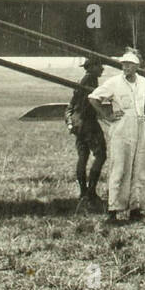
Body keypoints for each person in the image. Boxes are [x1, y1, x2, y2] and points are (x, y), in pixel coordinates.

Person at [88, 49, 145, 223]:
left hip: (140, 129)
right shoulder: (113, 83)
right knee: (119, 167)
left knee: (140, 168)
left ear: (137, 66)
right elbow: (94, 98)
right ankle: (114, 209)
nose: (126, 67)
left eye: (130, 64)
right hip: (121, 130)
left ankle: (136, 208)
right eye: (124, 64)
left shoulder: (143, 83)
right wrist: (106, 115)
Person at [66, 58, 107, 209]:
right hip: (88, 123)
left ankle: (83, 193)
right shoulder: (91, 80)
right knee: (101, 154)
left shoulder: (81, 81)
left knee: (83, 156)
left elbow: (71, 105)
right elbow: (92, 102)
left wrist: (70, 123)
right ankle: (91, 192)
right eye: (100, 65)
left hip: (78, 124)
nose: (102, 69)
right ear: (93, 67)